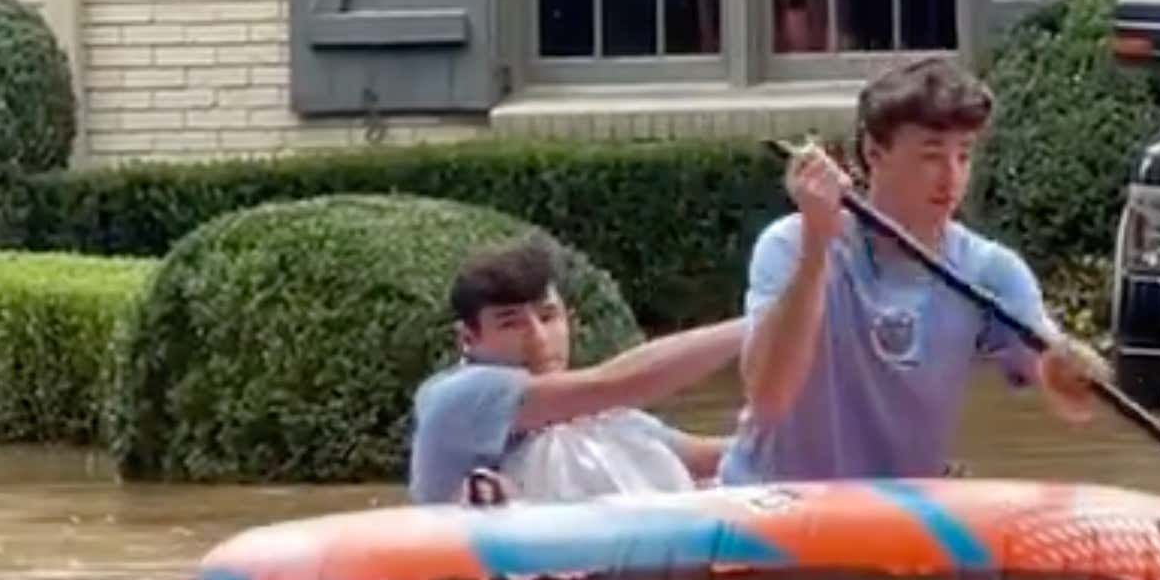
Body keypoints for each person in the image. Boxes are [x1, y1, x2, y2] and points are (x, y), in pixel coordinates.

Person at [716, 57, 1109, 486]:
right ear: (874, 152)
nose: (951, 178)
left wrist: (1073, 369)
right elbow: (768, 398)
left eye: (964, 156)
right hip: (776, 508)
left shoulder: (990, 270)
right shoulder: (790, 244)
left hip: (899, 518)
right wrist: (816, 249)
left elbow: (1071, 403)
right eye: (931, 155)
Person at [407, 236, 740, 504]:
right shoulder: (456, 397)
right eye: (512, 324)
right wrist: (758, 326)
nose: (538, 338)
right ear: (469, 338)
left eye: (548, 317)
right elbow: (617, 383)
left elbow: (709, 456)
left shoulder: (601, 420)